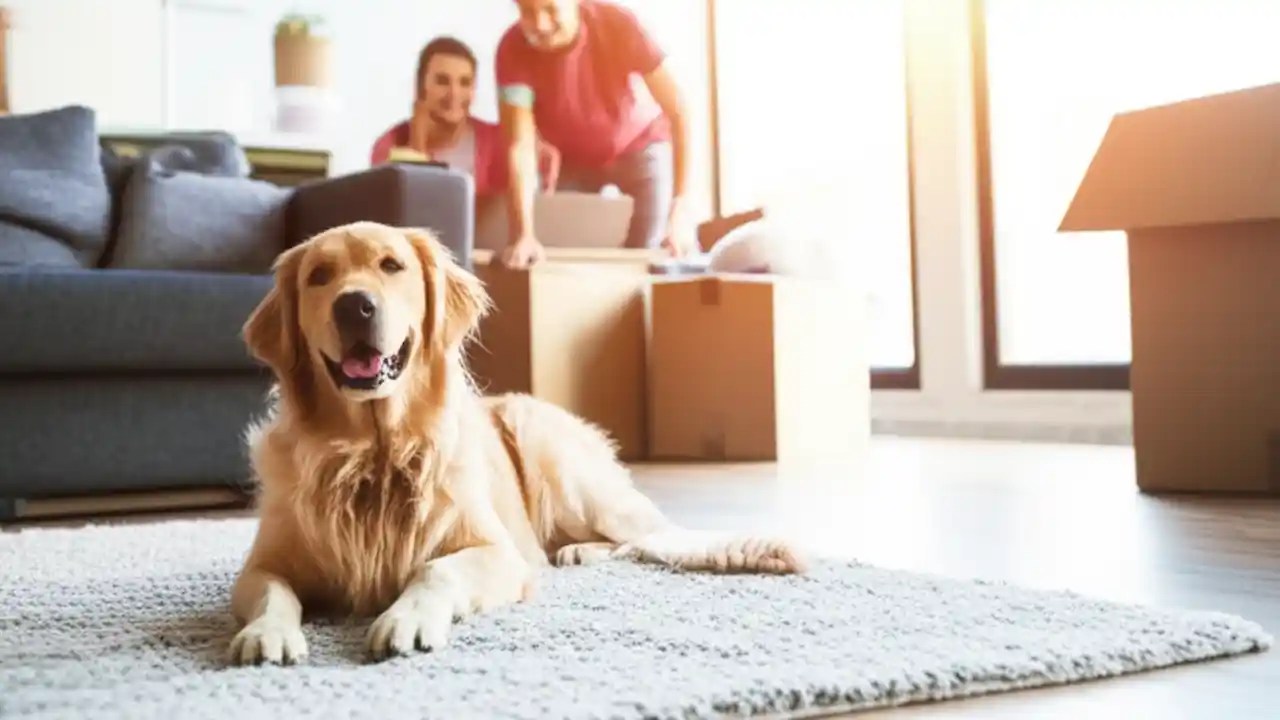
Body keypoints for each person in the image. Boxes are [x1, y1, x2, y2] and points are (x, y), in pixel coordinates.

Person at [495, 0, 697, 268]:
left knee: (656, 251)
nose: (540, 25)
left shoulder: (619, 24)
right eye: (528, 13)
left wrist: (680, 206)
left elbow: (678, 111)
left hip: (640, 146)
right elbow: (520, 145)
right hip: (572, 160)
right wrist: (523, 233)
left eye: (551, 9)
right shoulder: (512, 50)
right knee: (555, 254)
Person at [371, 36, 559, 199]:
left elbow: (542, 162)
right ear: (420, 87)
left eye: (465, 83)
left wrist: (540, 151)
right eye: (442, 81)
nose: (454, 94)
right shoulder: (389, 144)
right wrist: (418, 142)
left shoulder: (495, 140)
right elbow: (413, 208)